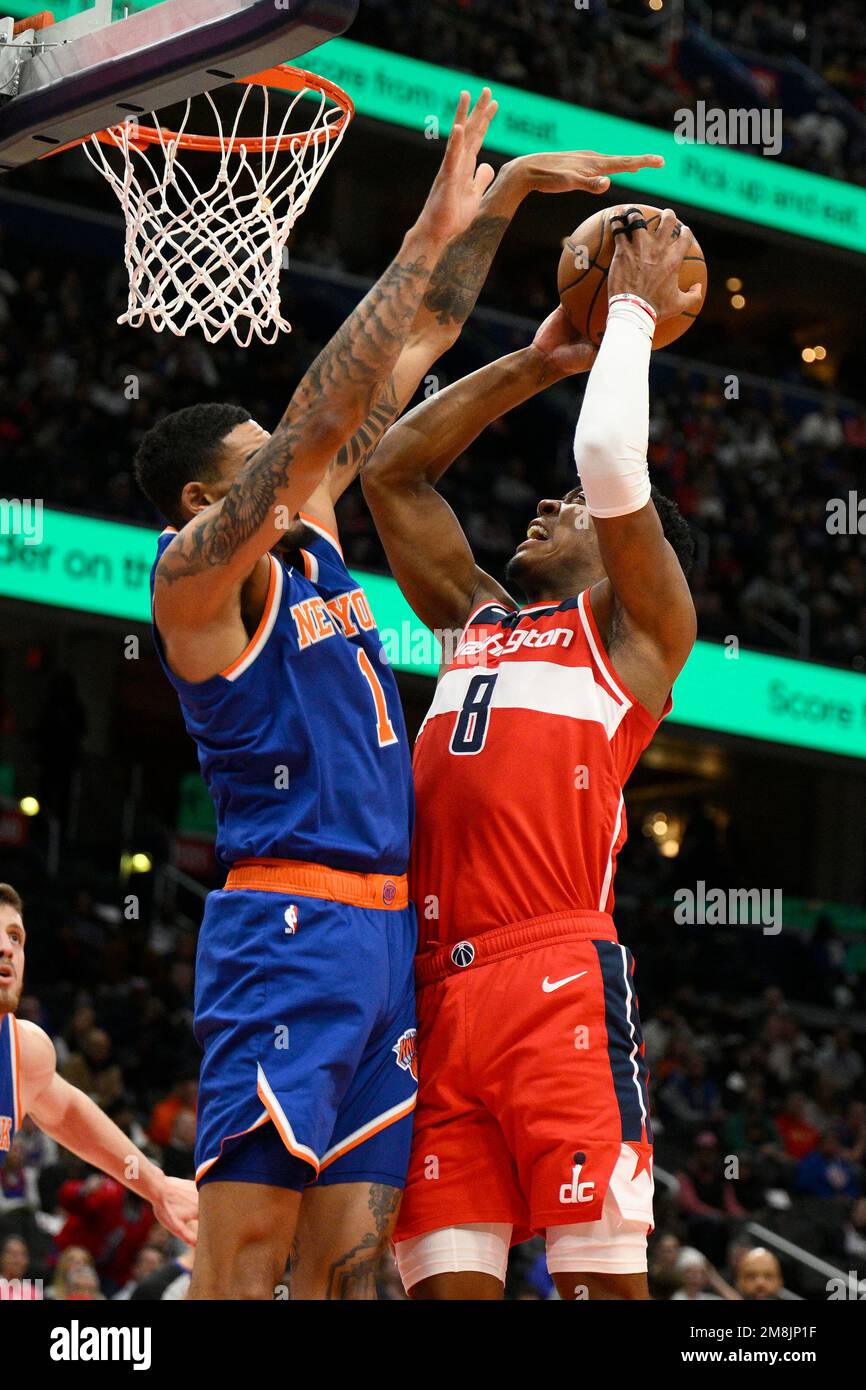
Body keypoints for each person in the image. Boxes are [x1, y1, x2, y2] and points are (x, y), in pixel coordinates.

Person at [133, 76, 662, 1297]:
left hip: (392, 945)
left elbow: (413, 343)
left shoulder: (305, 533)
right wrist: (415, 240)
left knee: (350, 1269)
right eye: (258, 456)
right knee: (250, 1251)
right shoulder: (197, 585)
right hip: (287, 928)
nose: (296, 456)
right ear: (212, 501)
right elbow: (323, 415)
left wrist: (505, 205)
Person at [361, 205, 701, 1299]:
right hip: (432, 997)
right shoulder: (479, 620)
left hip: (554, 976)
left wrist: (631, 318)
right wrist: (537, 356)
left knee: (601, 1287)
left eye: (580, 511)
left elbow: (604, 455)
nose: (552, 501)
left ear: (627, 547)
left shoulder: (635, 640)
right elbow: (392, 477)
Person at [0, 884, 196, 1265]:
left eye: (15, 937)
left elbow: (68, 1113)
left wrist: (156, 1187)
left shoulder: (23, 1051)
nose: (7, 947)